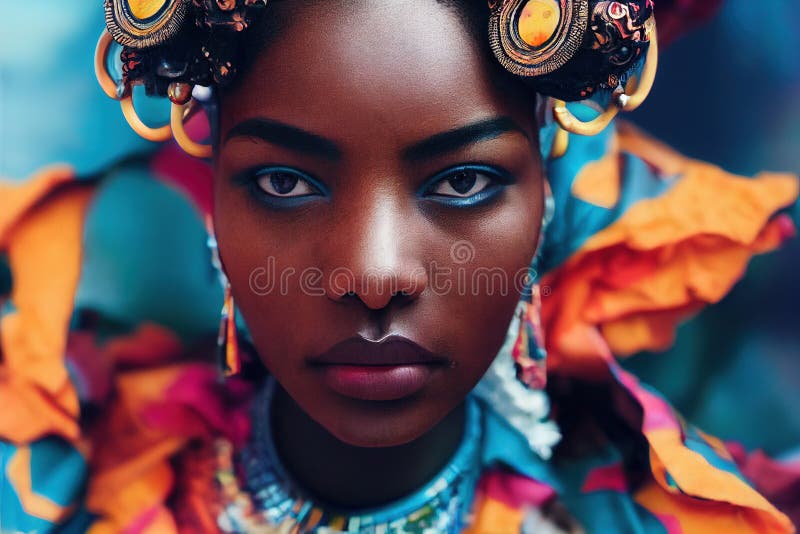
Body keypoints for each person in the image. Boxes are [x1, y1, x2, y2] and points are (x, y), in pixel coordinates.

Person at [0, 0, 796, 532]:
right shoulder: (60, 482)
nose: (374, 276)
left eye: (462, 182)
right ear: (213, 207)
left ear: (545, 206)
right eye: (283, 182)